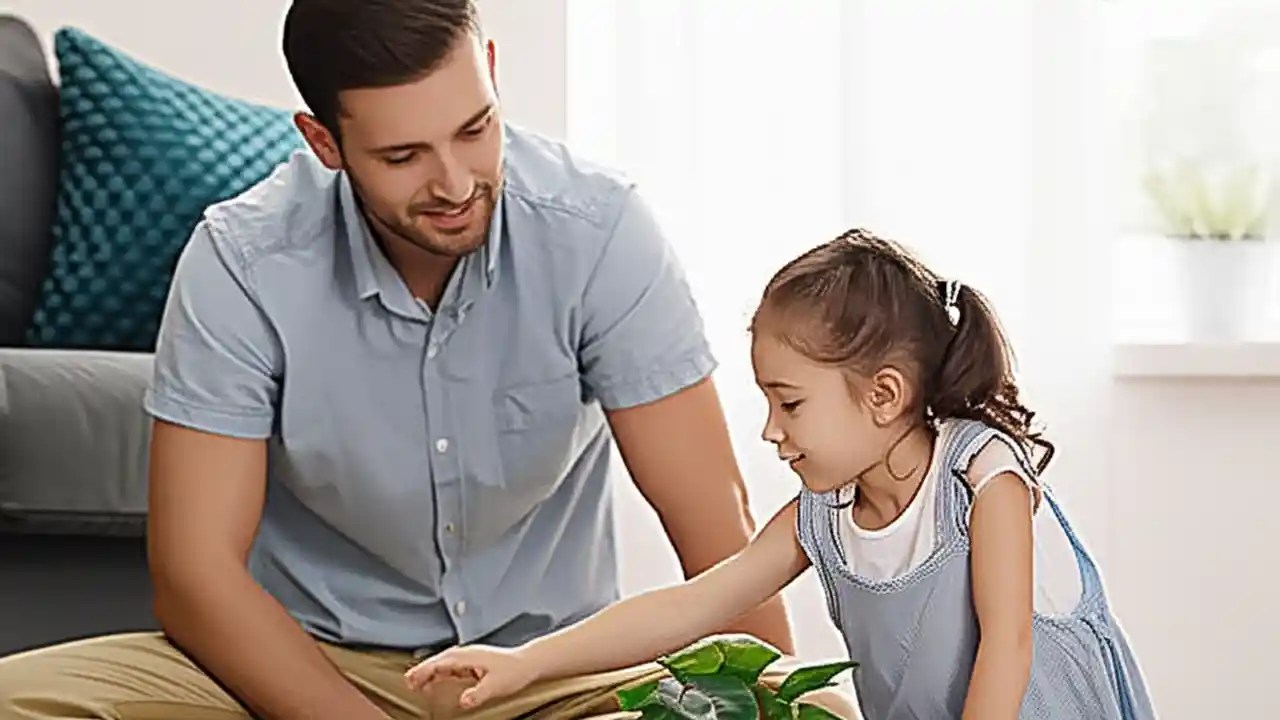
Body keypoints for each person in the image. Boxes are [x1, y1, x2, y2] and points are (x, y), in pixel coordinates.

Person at [0, 1, 798, 718]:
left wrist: (779, 705)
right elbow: (194, 573)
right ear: (324, 143)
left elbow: (716, 531)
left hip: (554, 670)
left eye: (475, 129)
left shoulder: (599, 230)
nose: (455, 182)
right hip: (308, 667)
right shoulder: (241, 262)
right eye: (403, 155)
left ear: (489, 70)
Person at [404, 229, 1159, 720]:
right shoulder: (823, 515)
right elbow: (694, 605)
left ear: (885, 394)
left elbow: (1009, 647)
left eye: (789, 403)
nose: (771, 430)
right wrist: (526, 663)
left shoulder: (983, 478)